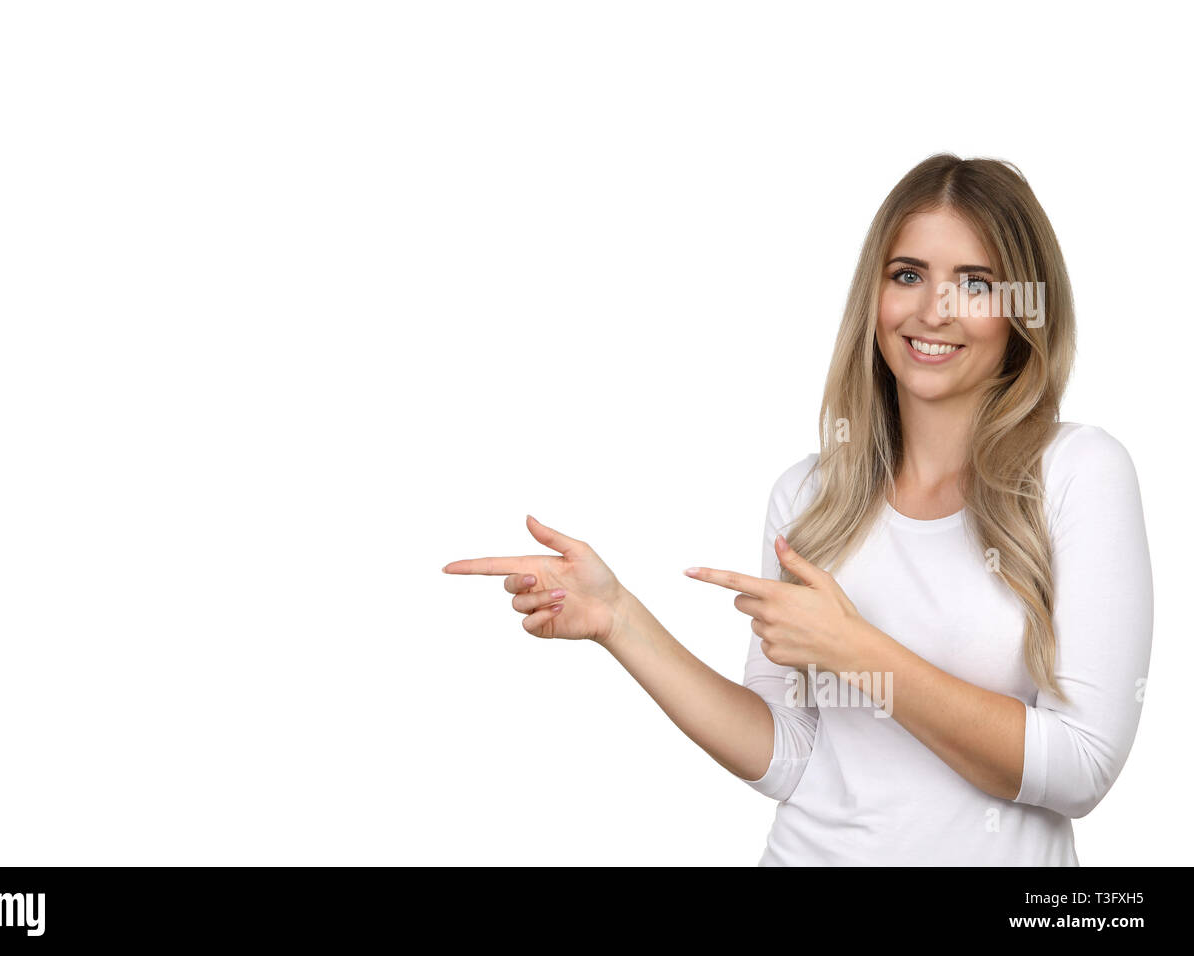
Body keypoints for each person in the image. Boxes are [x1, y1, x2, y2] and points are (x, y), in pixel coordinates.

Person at [441, 154, 1153, 866]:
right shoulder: (813, 496)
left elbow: (1081, 767)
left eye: (975, 283)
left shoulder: (1077, 472)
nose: (933, 310)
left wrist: (853, 647)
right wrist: (620, 620)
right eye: (907, 275)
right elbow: (789, 754)